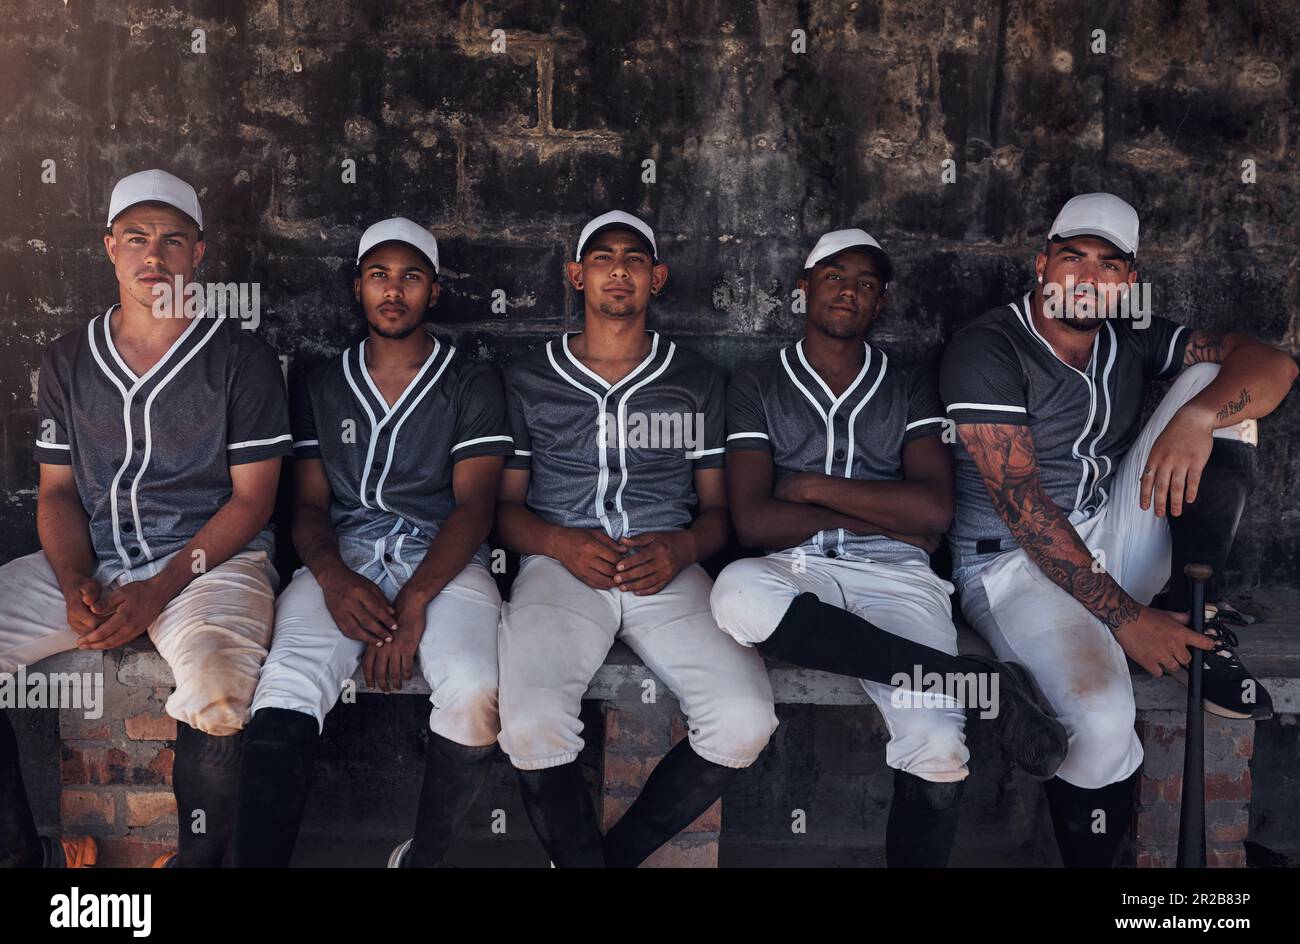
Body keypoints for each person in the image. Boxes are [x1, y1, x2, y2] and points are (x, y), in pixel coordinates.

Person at [940, 192, 1297, 866]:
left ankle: (1194, 606)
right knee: (1101, 721)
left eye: (1108, 264)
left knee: (1219, 381)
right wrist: (1124, 617)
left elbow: (1275, 365)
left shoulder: (1128, 333)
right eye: (1072, 256)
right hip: (1011, 563)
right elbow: (1022, 505)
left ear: (1127, 282)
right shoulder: (987, 346)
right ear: (1042, 263)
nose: (1087, 277)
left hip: (1112, 534)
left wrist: (1197, 417)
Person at [711, 229, 1069, 865]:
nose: (848, 291)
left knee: (937, 746)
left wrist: (813, 488)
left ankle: (946, 690)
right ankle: (964, 680)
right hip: (795, 570)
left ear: (881, 303)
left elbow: (933, 510)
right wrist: (886, 513)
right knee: (735, 592)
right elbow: (755, 525)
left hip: (899, 577)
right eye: (834, 276)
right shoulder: (757, 383)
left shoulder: (909, 386)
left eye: (866, 283)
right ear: (804, 287)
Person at [2, 169, 292, 868]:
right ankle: (19, 856)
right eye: (136, 237)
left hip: (208, 562)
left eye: (171, 239)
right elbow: (58, 494)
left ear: (198, 253)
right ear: (109, 247)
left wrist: (157, 590)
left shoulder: (241, 359)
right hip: (96, 554)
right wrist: (75, 581)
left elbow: (253, 501)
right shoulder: (69, 358)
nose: (153, 255)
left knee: (221, 691)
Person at [495, 210, 778, 867]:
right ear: (576, 275)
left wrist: (680, 550)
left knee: (744, 719)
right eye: (601, 256)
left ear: (657, 278)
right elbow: (503, 511)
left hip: (665, 565)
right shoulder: (529, 376)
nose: (617, 268)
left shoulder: (697, 379)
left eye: (632, 258)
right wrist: (561, 544)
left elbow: (718, 512)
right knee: (532, 722)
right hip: (561, 565)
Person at [232, 219, 511, 867]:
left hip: (442, 564)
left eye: (411, 276)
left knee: (474, 690)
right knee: (286, 685)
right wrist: (330, 575)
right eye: (379, 275)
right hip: (343, 559)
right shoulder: (322, 383)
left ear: (432, 292)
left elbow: (475, 508)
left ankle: (422, 855)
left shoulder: (469, 381)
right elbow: (306, 505)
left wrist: (413, 603)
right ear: (358, 286)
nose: (394, 289)